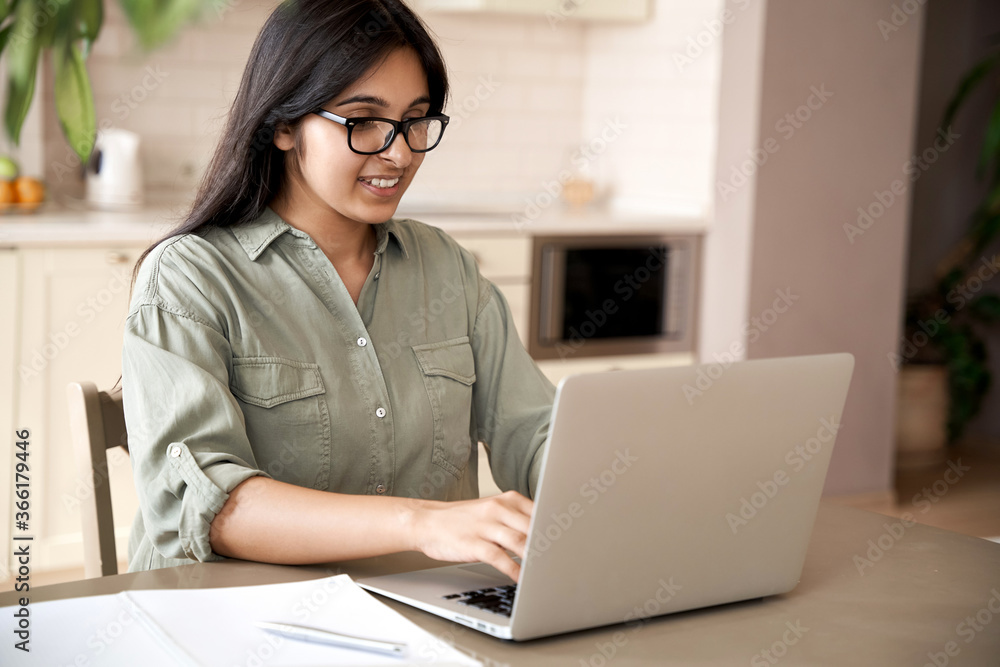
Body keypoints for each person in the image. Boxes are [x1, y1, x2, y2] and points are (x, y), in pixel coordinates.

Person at [122, 0, 555, 582]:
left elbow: (534, 434)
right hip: (239, 621)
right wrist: (422, 523)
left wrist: (601, 477)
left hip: (425, 609)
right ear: (282, 124)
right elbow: (209, 505)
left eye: (414, 120)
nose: (398, 152)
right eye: (364, 121)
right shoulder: (190, 277)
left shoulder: (447, 269)